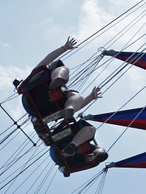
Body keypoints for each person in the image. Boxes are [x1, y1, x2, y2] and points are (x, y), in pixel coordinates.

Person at [28, 37, 107, 167]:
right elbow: (49, 59)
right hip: (37, 93)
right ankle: (57, 82)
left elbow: (48, 59)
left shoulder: (43, 76)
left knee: (77, 101)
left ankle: (75, 146)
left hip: (42, 106)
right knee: (65, 71)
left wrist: (91, 97)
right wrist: (64, 48)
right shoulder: (42, 73)